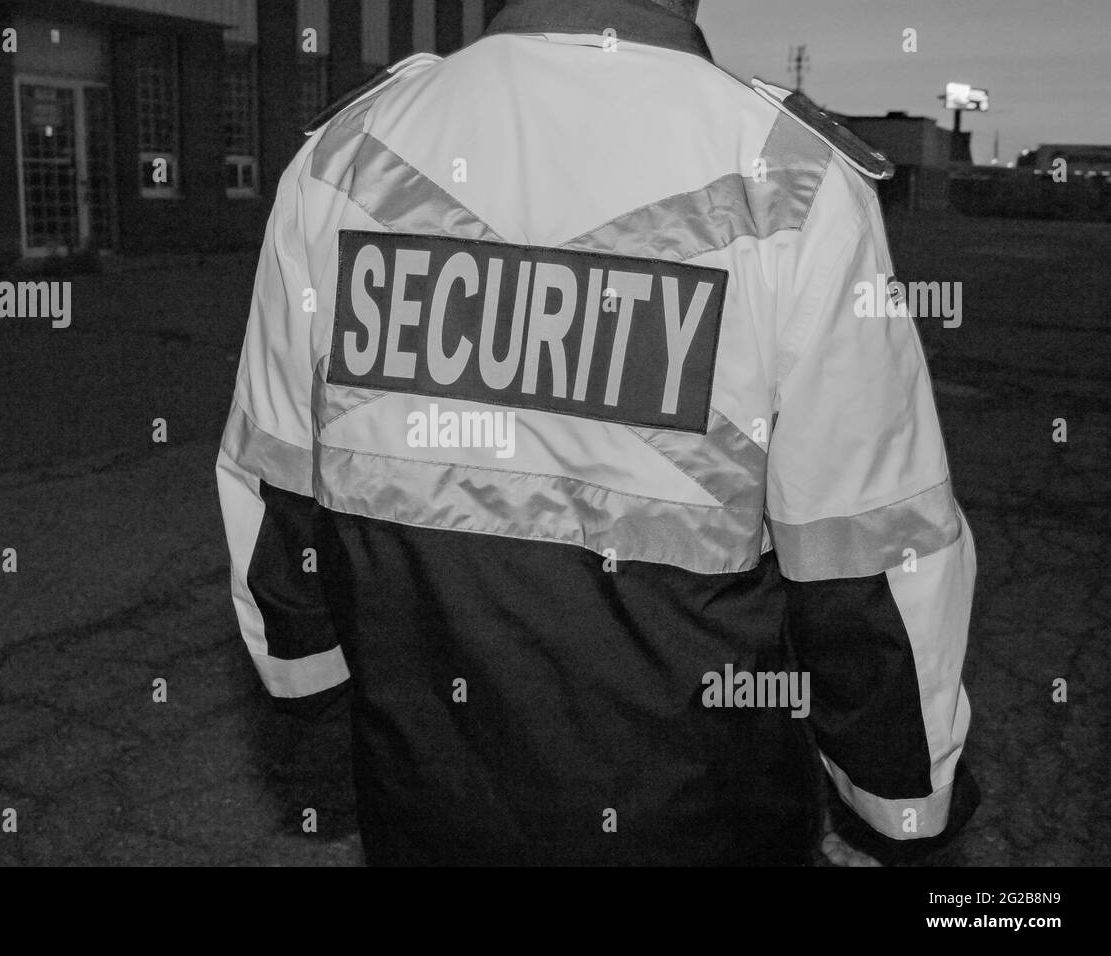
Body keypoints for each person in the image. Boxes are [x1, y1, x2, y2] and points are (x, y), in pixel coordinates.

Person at [216, 0, 978, 866]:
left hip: (427, 796)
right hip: (701, 813)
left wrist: (304, 675)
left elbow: (277, 479)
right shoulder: (785, 175)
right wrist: (898, 803)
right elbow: (871, 548)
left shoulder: (345, 153)